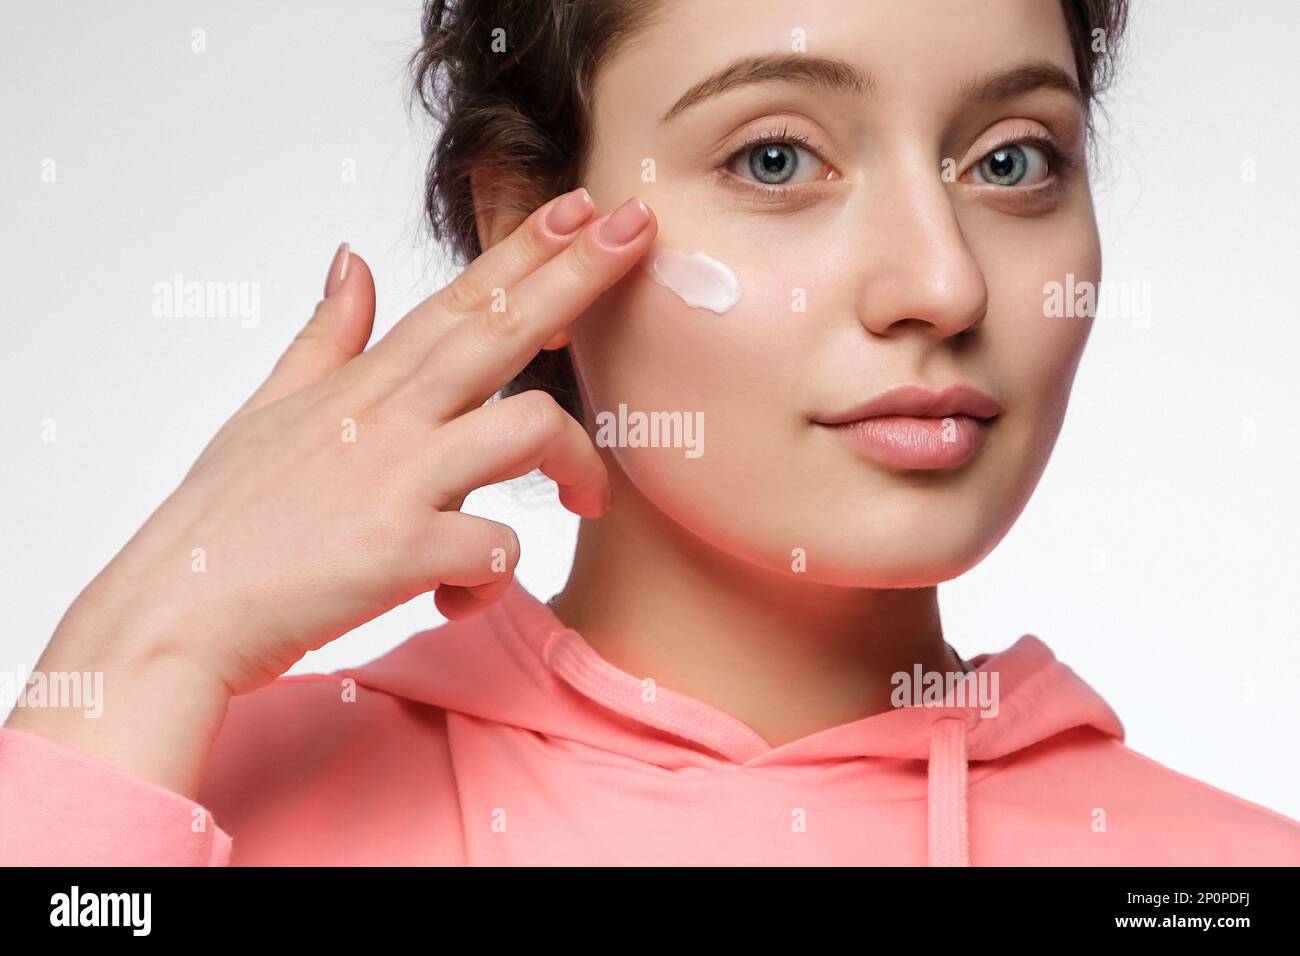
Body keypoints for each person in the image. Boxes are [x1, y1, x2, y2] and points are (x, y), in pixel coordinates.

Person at [3, 0, 1298, 866]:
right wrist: (138, 651)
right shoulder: (176, 802)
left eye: (1012, 160)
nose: (944, 285)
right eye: (778, 159)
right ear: (526, 232)